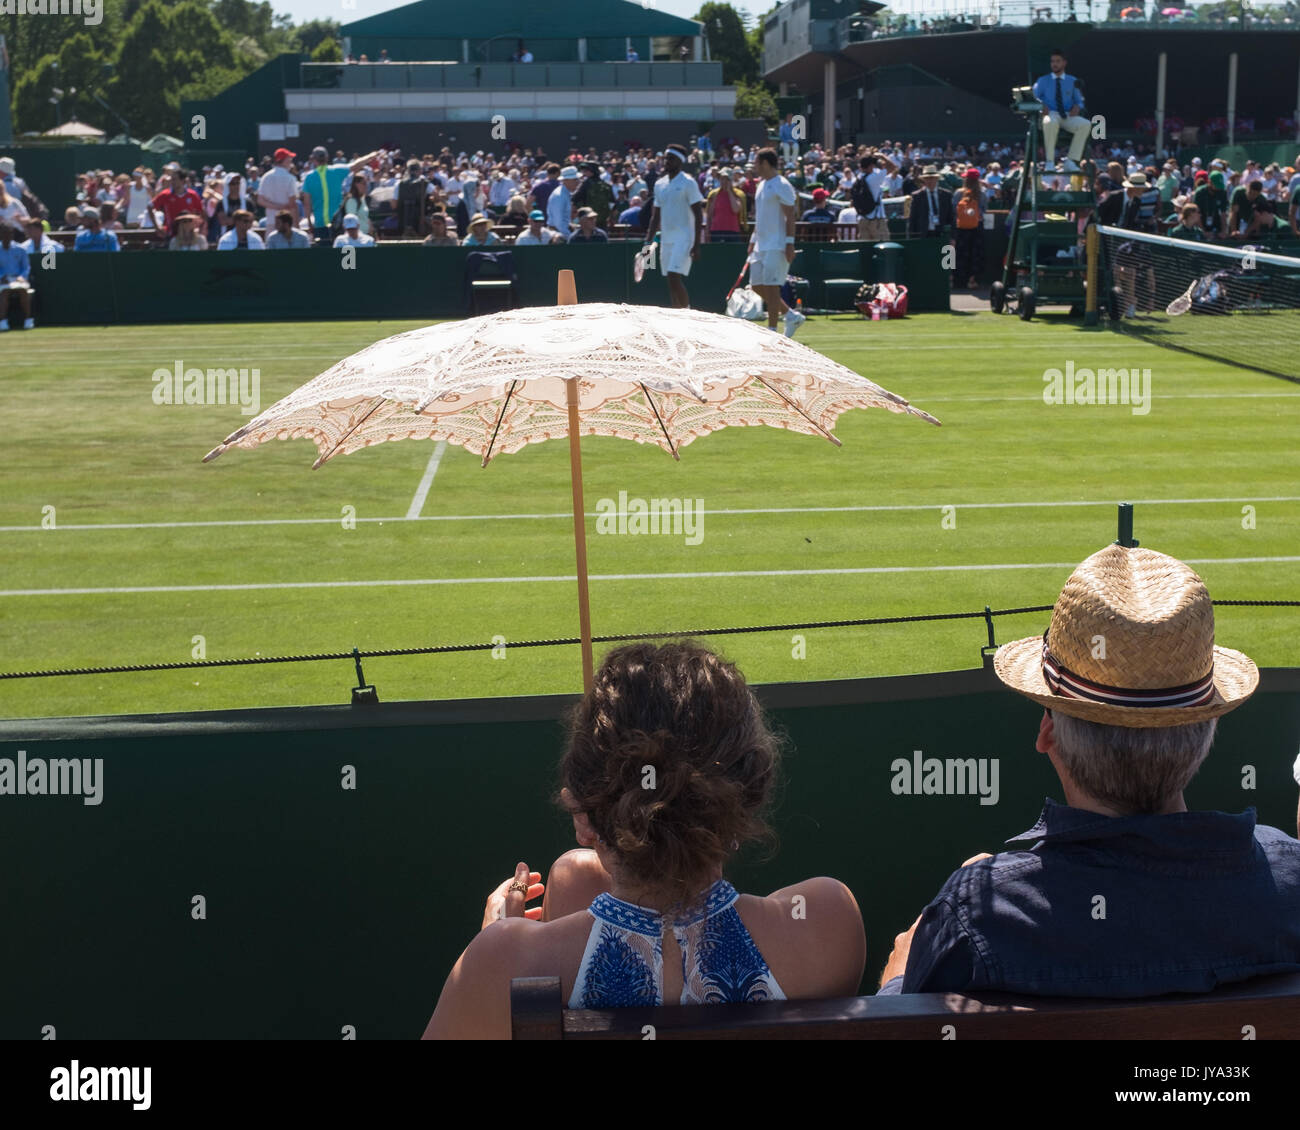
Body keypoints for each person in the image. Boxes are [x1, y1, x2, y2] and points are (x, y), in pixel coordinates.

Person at [878, 544, 1300, 999]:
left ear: (1048, 735)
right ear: (1207, 730)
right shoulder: (1290, 877)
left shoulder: (977, 916)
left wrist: (899, 977)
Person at [422, 641, 866, 1039]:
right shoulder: (827, 922)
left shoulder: (505, 965)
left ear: (583, 814)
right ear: (747, 799)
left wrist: (498, 942)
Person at [747, 146, 804, 337]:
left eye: (756, 162)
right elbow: (760, 216)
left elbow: (790, 216)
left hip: (777, 244)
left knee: (772, 287)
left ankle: (772, 332)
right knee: (756, 285)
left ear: (764, 163)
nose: (754, 166)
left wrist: (789, 243)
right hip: (760, 245)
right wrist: (753, 239)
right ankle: (790, 315)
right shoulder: (761, 185)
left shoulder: (782, 184)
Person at [643, 144, 704, 309]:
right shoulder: (659, 184)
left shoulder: (688, 183)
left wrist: (697, 244)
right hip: (666, 239)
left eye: (671, 158)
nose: (666, 161)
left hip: (685, 238)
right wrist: (647, 244)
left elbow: (699, 215)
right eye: (665, 158)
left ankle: (687, 314)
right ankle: (677, 316)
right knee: (670, 281)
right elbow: (655, 217)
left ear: (680, 161)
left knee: (673, 276)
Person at [300, 146, 384, 242]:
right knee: (340, 254)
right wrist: (371, 155)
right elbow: (356, 164)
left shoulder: (309, 178)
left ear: (314, 160)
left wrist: (310, 223)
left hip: (320, 224)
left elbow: (307, 203)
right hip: (337, 224)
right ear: (327, 158)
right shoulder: (337, 170)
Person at [1032, 48, 1089, 172]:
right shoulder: (1043, 80)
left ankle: (1071, 161)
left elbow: (1079, 100)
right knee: (1050, 122)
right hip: (1050, 114)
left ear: (1064, 63)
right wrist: (1041, 105)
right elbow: (1033, 97)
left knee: (1086, 124)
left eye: (1058, 61)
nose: (1054, 64)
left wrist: (1078, 106)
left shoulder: (1072, 80)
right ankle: (1050, 162)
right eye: (1052, 61)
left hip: (1068, 115)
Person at [852, 151, 896, 242]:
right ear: (871, 166)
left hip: (862, 219)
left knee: (865, 251)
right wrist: (882, 156)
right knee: (883, 247)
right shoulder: (875, 177)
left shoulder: (858, 177)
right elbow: (893, 167)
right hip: (877, 220)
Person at [150, 169, 203, 240]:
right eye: (172, 179)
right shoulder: (165, 194)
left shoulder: (192, 195)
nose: (172, 182)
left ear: (183, 181)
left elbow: (201, 213)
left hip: (189, 235)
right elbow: (150, 206)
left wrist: (198, 227)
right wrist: (157, 227)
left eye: (175, 179)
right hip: (170, 234)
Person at [0, 223, 35, 331]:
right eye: (4, 234)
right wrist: (1, 276)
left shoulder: (20, 249)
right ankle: (3, 321)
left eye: (9, 234)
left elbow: (26, 267)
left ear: (12, 235)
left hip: (18, 279)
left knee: (23, 291)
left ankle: (28, 320)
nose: (7, 236)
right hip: (2, 281)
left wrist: (21, 277)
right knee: (4, 293)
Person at [953, 170, 984, 288]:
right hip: (977, 228)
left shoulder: (958, 193)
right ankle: (972, 280)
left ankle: (957, 280)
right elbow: (983, 211)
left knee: (959, 254)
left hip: (961, 228)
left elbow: (953, 210)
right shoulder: (983, 194)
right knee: (975, 254)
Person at [257, 148, 301, 228]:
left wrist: (278, 207)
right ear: (283, 160)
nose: (291, 161)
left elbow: (260, 200)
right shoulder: (290, 178)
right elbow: (293, 204)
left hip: (271, 221)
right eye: (289, 158)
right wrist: (296, 225)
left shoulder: (266, 177)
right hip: (287, 224)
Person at [908, 165, 953, 237]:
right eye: (927, 178)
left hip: (942, 233)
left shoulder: (946, 195)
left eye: (932, 178)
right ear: (924, 180)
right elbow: (913, 218)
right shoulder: (917, 196)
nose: (930, 181)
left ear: (937, 179)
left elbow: (951, 217)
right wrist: (912, 238)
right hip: (924, 234)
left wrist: (953, 237)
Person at [705, 168, 746, 242]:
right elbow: (709, 215)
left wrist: (729, 191)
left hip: (733, 232)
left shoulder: (738, 194)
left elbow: (735, 210)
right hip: (716, 232)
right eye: (722, 179)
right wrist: (707, 232)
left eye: (727, 179)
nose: (724, 181)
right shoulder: (714, 194)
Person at [546, 166, 580, 238]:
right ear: (566, 180)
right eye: (575, 180)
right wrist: (569, 237)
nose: (578, 182)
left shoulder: (565, 193)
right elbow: (558, 223)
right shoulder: (559, 196)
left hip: (561, 232)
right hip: (558, 236)